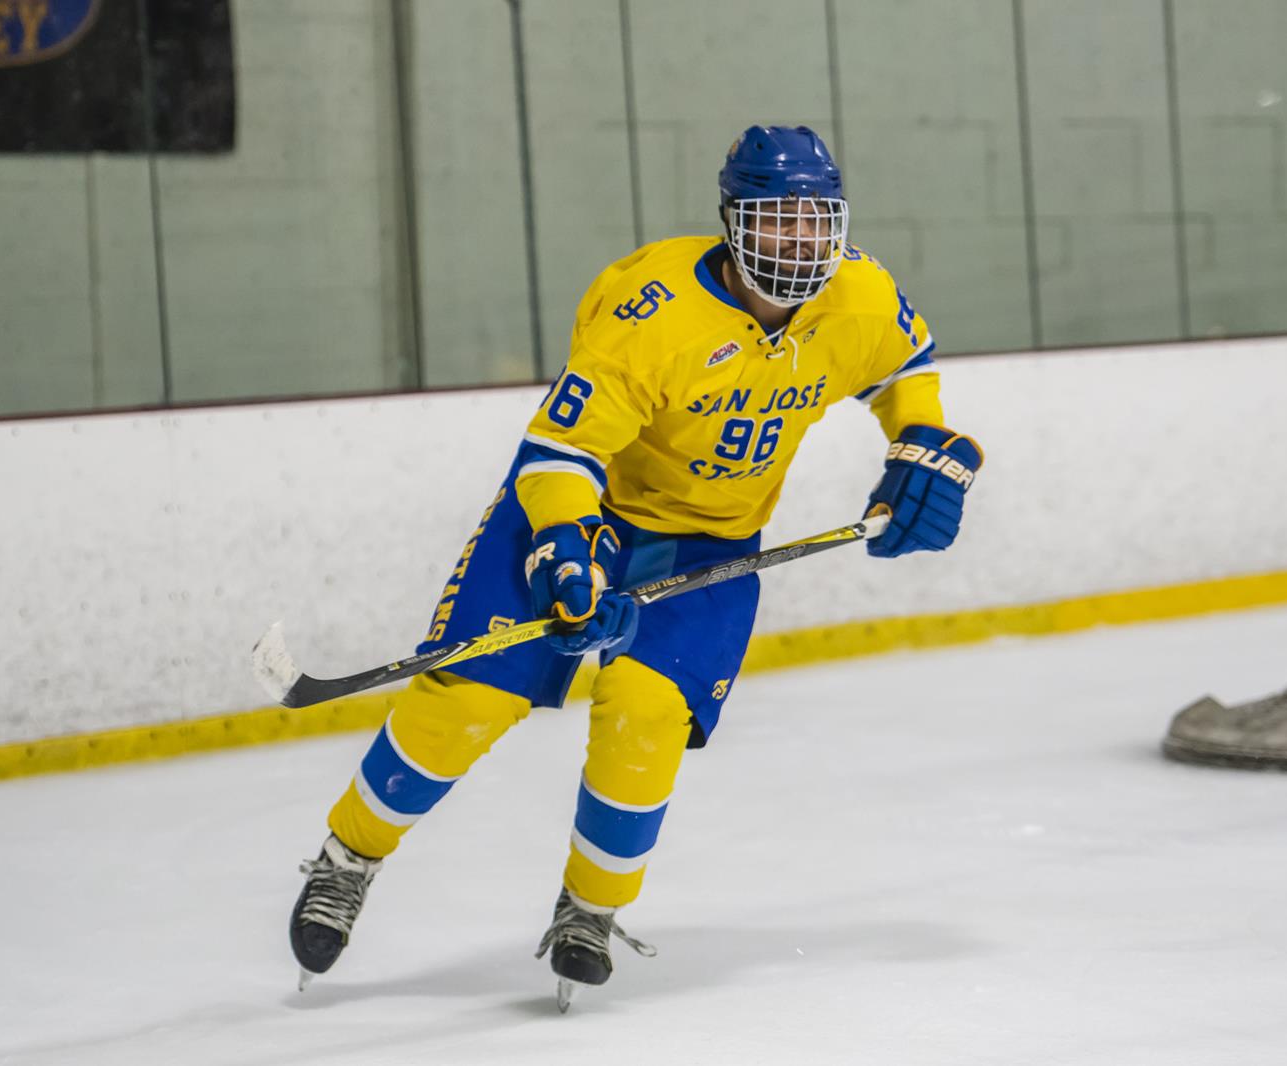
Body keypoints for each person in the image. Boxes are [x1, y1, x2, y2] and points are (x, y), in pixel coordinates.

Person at [288, 124, 983, 1005]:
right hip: (584, 515)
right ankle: (349, 858)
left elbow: (903, 369)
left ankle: (591, 908)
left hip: (712, 537)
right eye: (776, 223)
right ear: (732, 225)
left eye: (817, 223)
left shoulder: (862, 294)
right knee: (468, 696)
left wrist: (923, 439)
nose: (801, 245)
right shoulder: (647, 309)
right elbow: (560, 452)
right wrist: (570, 555)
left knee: (647, 718)